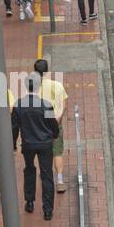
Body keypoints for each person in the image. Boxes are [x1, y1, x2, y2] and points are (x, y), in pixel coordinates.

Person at [13, 74, 60, 220]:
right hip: (45, 143)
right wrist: (54, 135)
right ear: (39, 87)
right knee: (46, 175)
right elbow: (54, 126)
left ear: (26, 87)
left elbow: (14, 127)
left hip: (28, 143)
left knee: (29, 169)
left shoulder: (19, 105)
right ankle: (47, 210)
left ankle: (29, 201)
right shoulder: (46, 105)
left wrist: (13, 143)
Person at [34, 59, 70, 193]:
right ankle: (59, 181)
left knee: (43, 151)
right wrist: (57, 122)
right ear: (47, 70)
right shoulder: (57, 85)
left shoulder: (33, 87)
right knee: (57, 152)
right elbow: (63, 105)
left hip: (39, 123)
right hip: (53, 120)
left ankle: (45, 174)